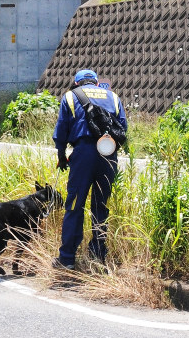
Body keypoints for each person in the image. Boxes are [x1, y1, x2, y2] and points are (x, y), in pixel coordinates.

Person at [52, 68, 128, 270]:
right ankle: (98, 256)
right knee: (100, 206)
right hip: (108, 153)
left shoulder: (70, 96)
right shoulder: (113, 97)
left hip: (83, 153)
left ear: (77, 83)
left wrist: (62, 155)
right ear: (96, 83)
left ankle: (67, 258)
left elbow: (61, 130)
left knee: (75, 206)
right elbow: (123, 128)